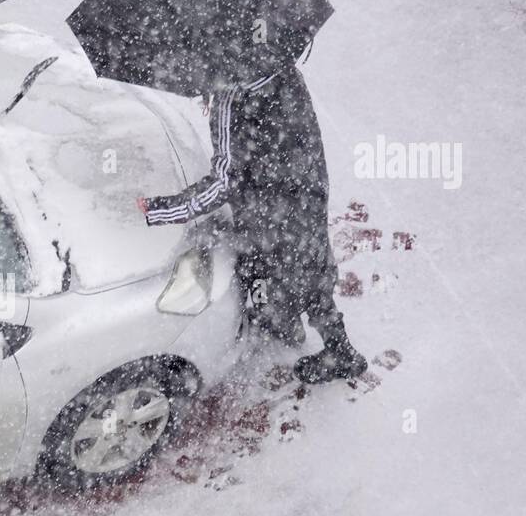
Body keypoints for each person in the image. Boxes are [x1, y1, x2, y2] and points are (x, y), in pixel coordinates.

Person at [137, 62, 366, 383]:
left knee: (263, 272)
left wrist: (158, 210)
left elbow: (222, 183)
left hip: (268, 208)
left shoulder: (230, 95)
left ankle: (283, 325)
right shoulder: (281, 65)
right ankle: (338, 347)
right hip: (306, 186)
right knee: (311, 263)